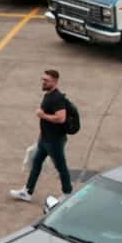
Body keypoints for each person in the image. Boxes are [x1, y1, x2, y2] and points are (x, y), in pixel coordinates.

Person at [11, 69, 75, 202]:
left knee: (61, 167)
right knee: (36, 163)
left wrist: (42, 115)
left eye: (46, 80)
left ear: (55, 82)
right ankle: (27, 191)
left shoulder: (57, 98)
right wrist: (40, 135)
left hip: (54, 141)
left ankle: (68, 192)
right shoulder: (48, 95)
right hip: (45, 139)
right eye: (43, 79)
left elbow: (61, 118)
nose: (43, 82)